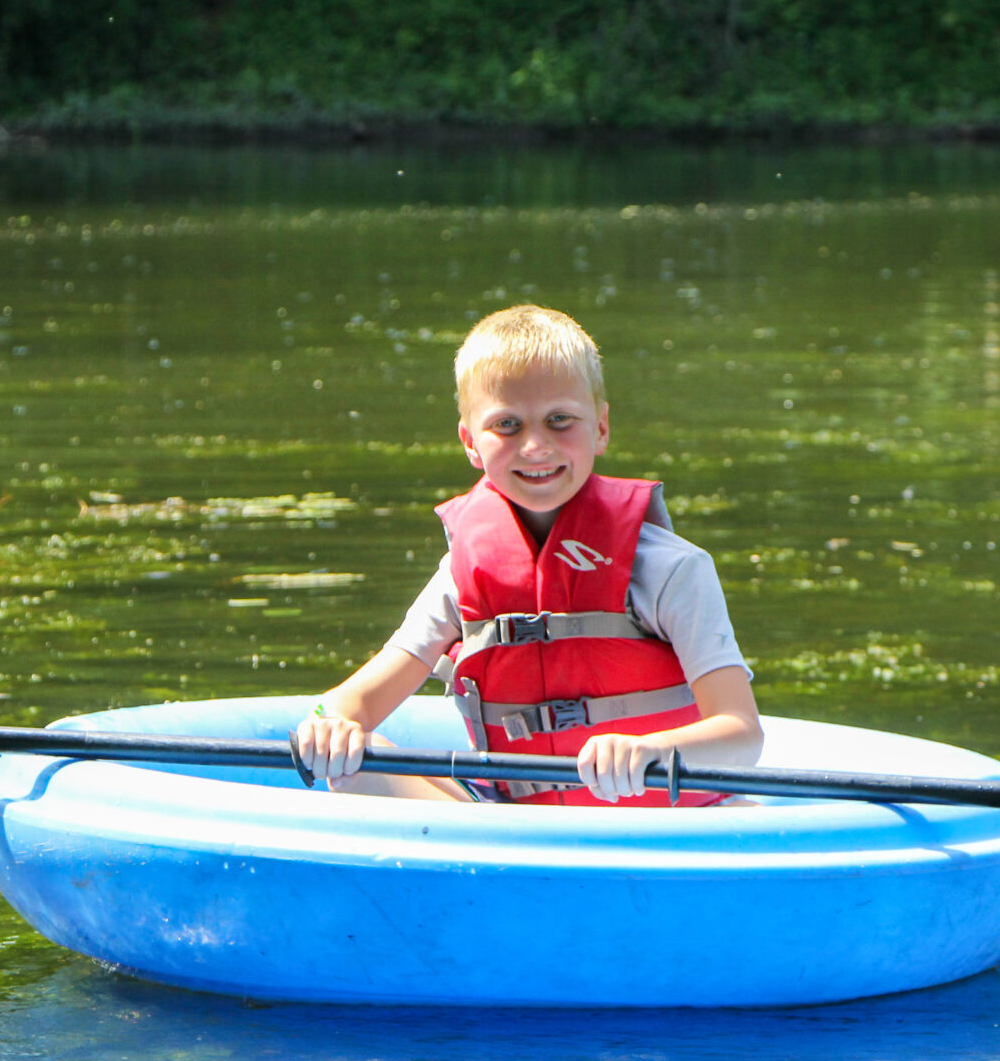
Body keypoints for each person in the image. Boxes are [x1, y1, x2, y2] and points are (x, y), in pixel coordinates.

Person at [292, 304, 761, 805]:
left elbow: (742, 735)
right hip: (514, 833)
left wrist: (648, 750)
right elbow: (353, 702)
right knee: (357, 761)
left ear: (600, 428)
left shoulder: (671, 570)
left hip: (659, 829)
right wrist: (327, 726)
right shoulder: (460, 576)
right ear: (471, 443)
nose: (536, 446)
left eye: (560, 420)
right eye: (507, 425)